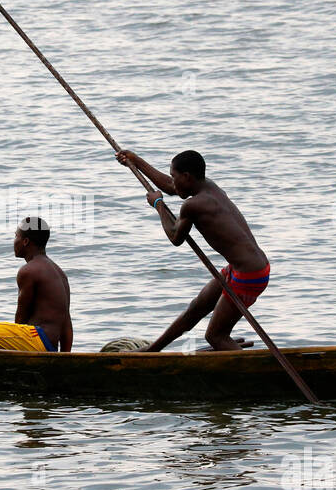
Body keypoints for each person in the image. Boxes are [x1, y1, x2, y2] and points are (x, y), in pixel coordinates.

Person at [115, 149, 268, 351]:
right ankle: (151, 351)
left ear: (187, 177)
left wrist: (158, 204)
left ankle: (252, 373)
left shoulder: (193, 205)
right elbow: (171, 187)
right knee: (196, 308)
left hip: (250, 275)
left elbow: (175, 236)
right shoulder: (208, 186)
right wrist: (136, 161)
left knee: (215, 336)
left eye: (174, 176)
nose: (173, 181)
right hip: (241, 268)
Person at [0, 216, 72, 352]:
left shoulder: (29, 270)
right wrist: (64, 356)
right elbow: (67, 323)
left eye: (16, 236)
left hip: (37, 340)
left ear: (25, 241)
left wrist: (15, 352)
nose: (14, 241)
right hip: (50, 345)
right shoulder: (60, 273)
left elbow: (20, 318)